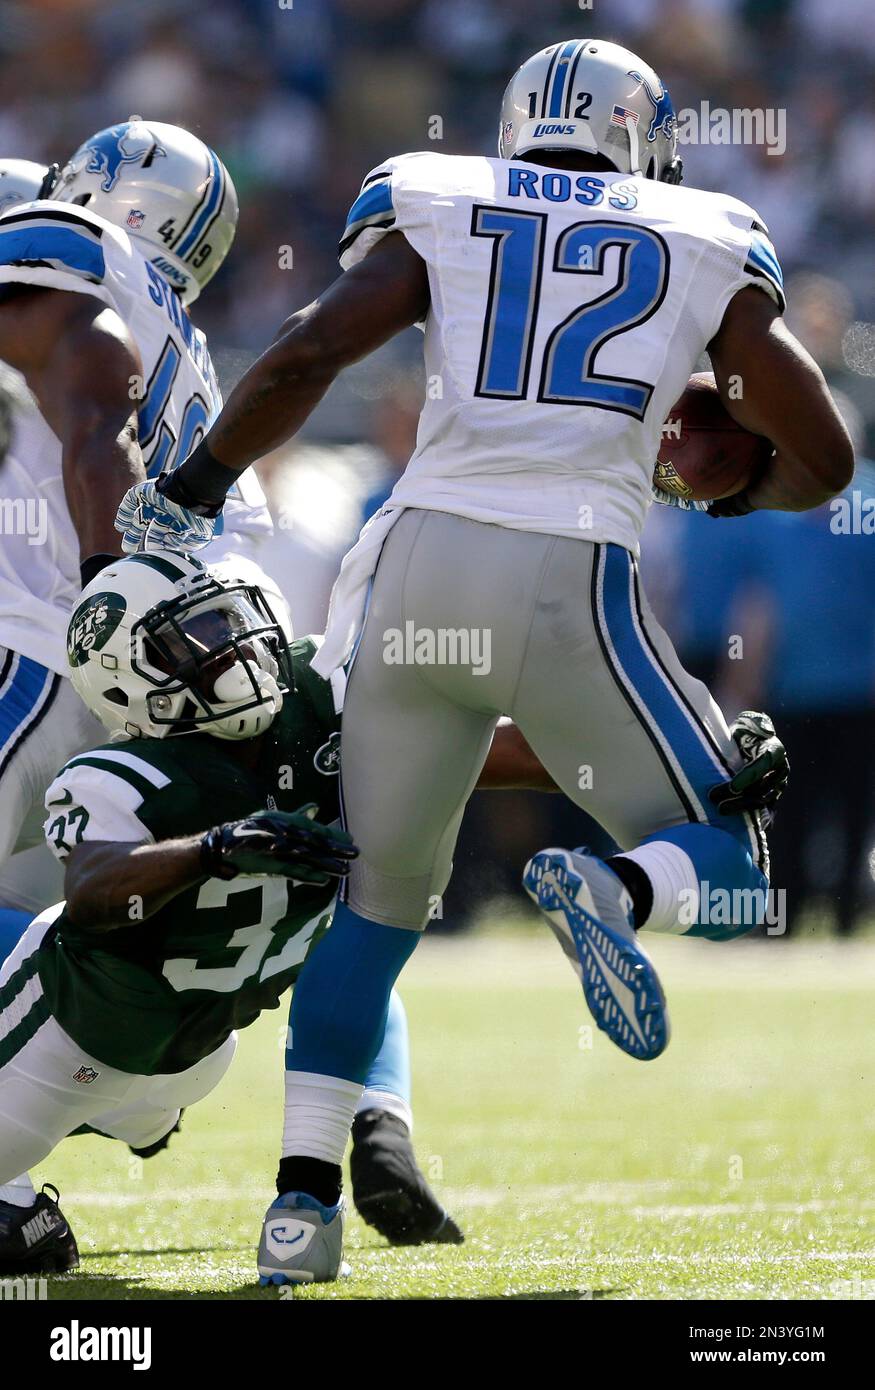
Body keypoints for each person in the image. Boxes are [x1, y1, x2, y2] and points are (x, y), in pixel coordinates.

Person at [113, 38, 851, 1281]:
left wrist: (190, 486)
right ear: (642, 134)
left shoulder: (438, 195)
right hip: (568, 571)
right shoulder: (704, 229)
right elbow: (824, 457)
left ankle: (297, 1217)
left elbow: (302, 351)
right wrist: (730, 489)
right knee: (731, 859)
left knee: (372, 906)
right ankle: (607, 893)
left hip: (411, 566)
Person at [0, 554, 552, 1278]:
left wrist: (678, 762)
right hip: (127, 1052)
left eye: (226, 619)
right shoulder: (118, 776)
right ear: (132, 685)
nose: (227, 647)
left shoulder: (320, 696)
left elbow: (477, 750)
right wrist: (214, 850)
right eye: (190, 638)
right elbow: (96, 895)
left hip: (128, 1050)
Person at [0, 120, 271, 920]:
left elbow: (97, 432)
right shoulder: (188, 349)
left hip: (48, 648)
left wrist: (100, 595)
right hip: (133, 683)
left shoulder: (78, 250)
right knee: (62, 912)